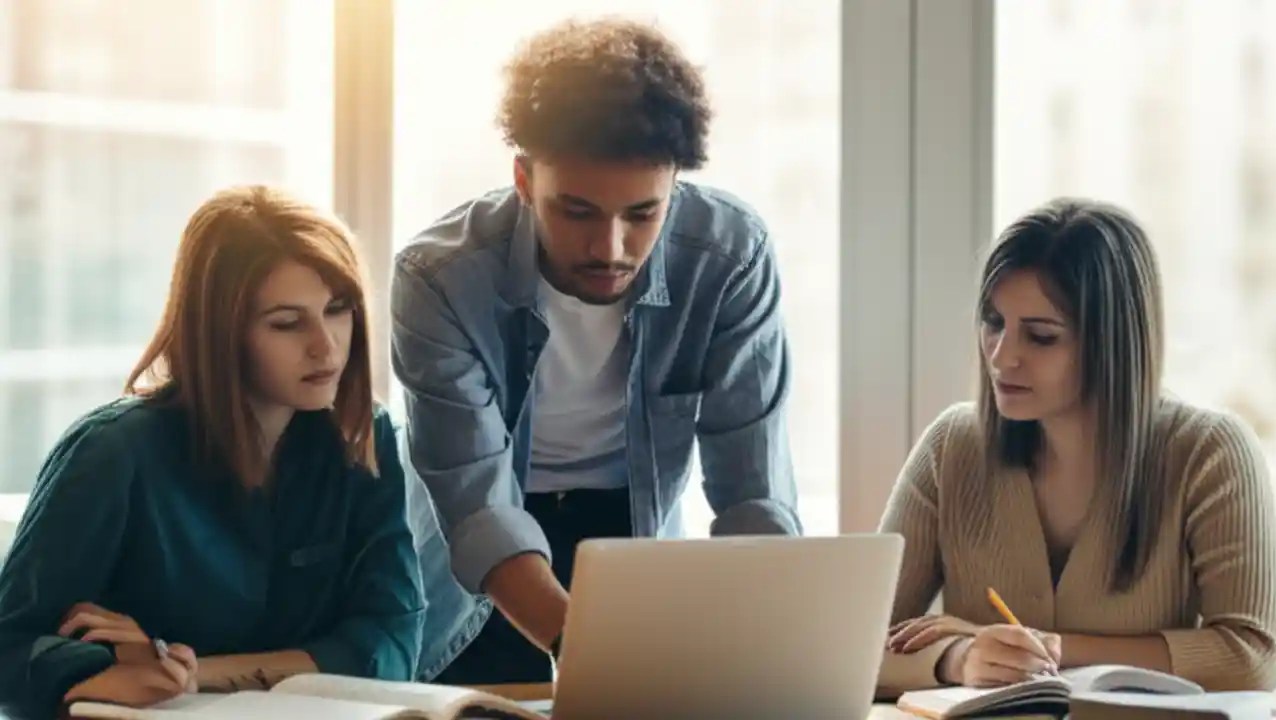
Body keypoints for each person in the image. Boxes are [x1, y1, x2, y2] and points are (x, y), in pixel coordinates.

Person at [392, 17, 802, 684]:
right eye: (576, 212)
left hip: (630, 535)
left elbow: (753, 490)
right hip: (476, 558)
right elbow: (479, 505)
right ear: (524, 180)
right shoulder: (439, 277)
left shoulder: (729, 257)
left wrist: (762, 646)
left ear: (675, 185)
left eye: (643, 214)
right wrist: (595, 653)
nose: (611, 250)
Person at [0, 186, 456, 716]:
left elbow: (390, 644)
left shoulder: (360, 435)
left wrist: (182, 671)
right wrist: (99, 673)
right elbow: (7, 648)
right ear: (220, 333)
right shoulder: (113, 454)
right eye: (286, 323)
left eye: (337, 310)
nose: (326, 346)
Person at [878, 198, 1276, 694]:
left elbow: (1252, 658)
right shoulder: (952, 446)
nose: (1003, 357)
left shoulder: (1210, 454)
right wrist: (960, 659)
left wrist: (1048, 646)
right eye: (993, 322)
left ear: (1113, 344)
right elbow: (853, 647)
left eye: (1041, 337)